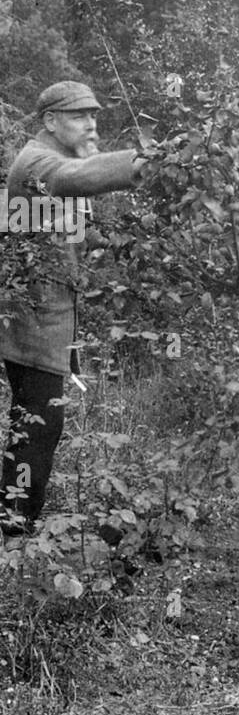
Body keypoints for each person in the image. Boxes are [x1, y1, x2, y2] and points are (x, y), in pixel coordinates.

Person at [0, 80, 150, 536]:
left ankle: (13, 520)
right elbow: (77, 179)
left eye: (95, 116)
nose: (92, 124)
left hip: (49, 317)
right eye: (80, 116)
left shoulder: (57, 161)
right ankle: (14, 529)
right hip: (32, 322)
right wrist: (151, 161)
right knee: (40, 422)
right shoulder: (37, 163)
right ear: (50, 121)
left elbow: (74, 228)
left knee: (35, 420)